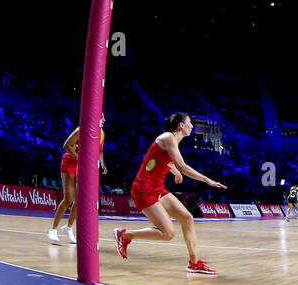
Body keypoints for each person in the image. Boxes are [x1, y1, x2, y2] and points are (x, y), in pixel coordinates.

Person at [113, 112, 227, 275]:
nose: (192, 126)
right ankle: (125, 235)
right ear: (181, 125)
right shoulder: (168, 137)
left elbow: (164, 159)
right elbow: (182, 165)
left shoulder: (172, 141)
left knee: (187, 218)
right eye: (190, 123)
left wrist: (175, 173)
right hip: (143, 191)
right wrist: (206, 180)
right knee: (168, 233)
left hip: (157, 188)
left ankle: (194, 263)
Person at [49, 115, 107, 245]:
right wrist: (79, 158)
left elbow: (100, 150)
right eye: (101, 117)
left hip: (83, 165)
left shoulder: (101, 133)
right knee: (68, 198)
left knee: (80, 200)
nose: (104, 120)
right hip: (70, 161)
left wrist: (101, 162)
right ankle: (53, 229)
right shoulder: (81, 129)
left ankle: (68, 227)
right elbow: (66, 145)